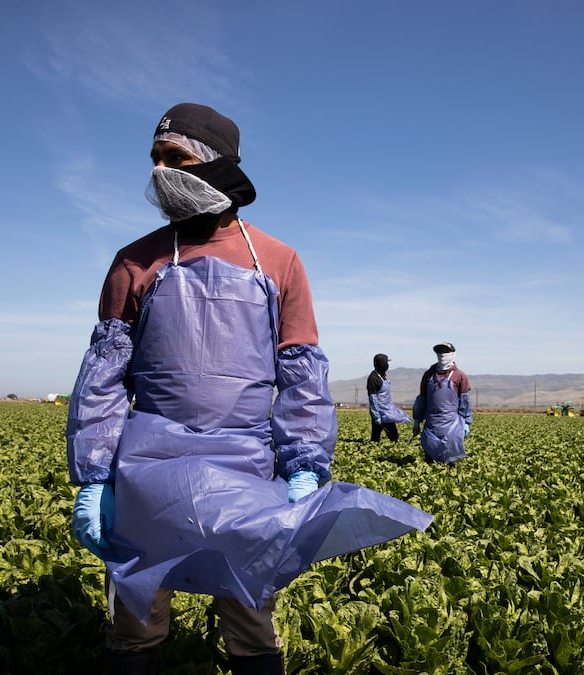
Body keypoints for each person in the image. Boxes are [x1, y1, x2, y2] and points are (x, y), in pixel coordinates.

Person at [65, 102, 430, 675]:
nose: (160, 171)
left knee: (251, 613)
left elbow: (302, 376)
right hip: (146, 469)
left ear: (216, 161)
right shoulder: (133, 262)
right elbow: (103, 380)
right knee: (135, 618)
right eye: (155, 158)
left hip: (245, 466)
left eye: (175, 157)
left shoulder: (279, 263)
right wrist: (94, 477)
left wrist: (304, 464)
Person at [412, 342, 472, 464]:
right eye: (439, 352)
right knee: (429, 456)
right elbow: (422, 399)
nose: (442, 355)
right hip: (431, 423)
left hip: (451, 424)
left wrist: (466, 422)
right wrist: (417, 419)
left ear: (453, 354)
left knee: (450, 458)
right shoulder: (429, 375)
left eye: (446, 352)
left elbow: (465, 402)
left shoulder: (460, 376)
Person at [367, 353, 410, 442]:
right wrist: (376, 416)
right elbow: (372, 398)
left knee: (388, 435)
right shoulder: (373, 378)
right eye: (386, 362)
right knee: (387, 435)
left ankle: (377, 445)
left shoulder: (383, 375)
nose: (387, 365)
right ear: (381, 363)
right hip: (379, 411)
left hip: (387, 410)